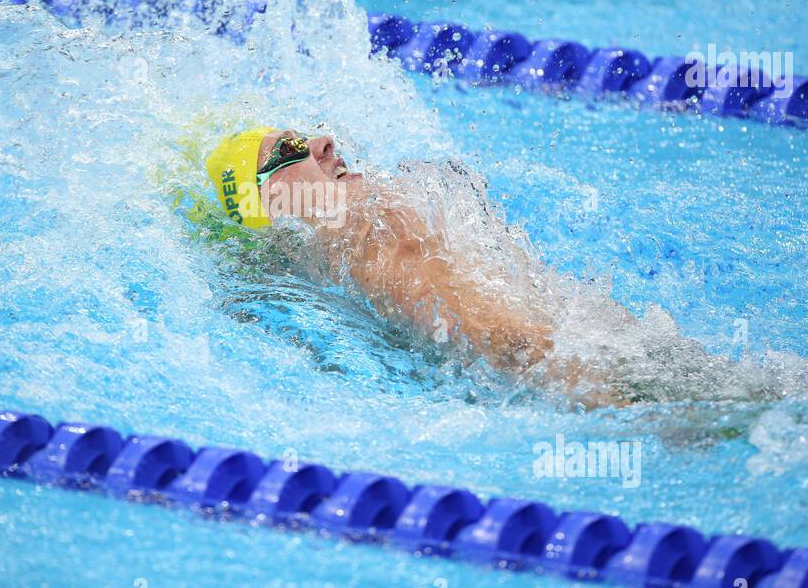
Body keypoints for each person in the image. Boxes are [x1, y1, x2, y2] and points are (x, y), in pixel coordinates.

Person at [204, 126, 635, 407]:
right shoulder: (368, 224)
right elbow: (513, 343)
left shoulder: (331, 278)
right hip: (592, 375)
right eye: (292, 148)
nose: (324, 142)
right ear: (269, 200)